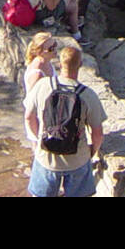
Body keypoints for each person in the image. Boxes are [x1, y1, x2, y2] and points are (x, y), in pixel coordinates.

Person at [23, 44, 104, 197]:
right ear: (80, 65)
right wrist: (91, 152)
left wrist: (38, 140)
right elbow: (97, 134)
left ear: (60, 64)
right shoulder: (88, 95)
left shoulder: (43, 85)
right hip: (78, 159)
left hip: (46, 158)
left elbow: (28, 117)